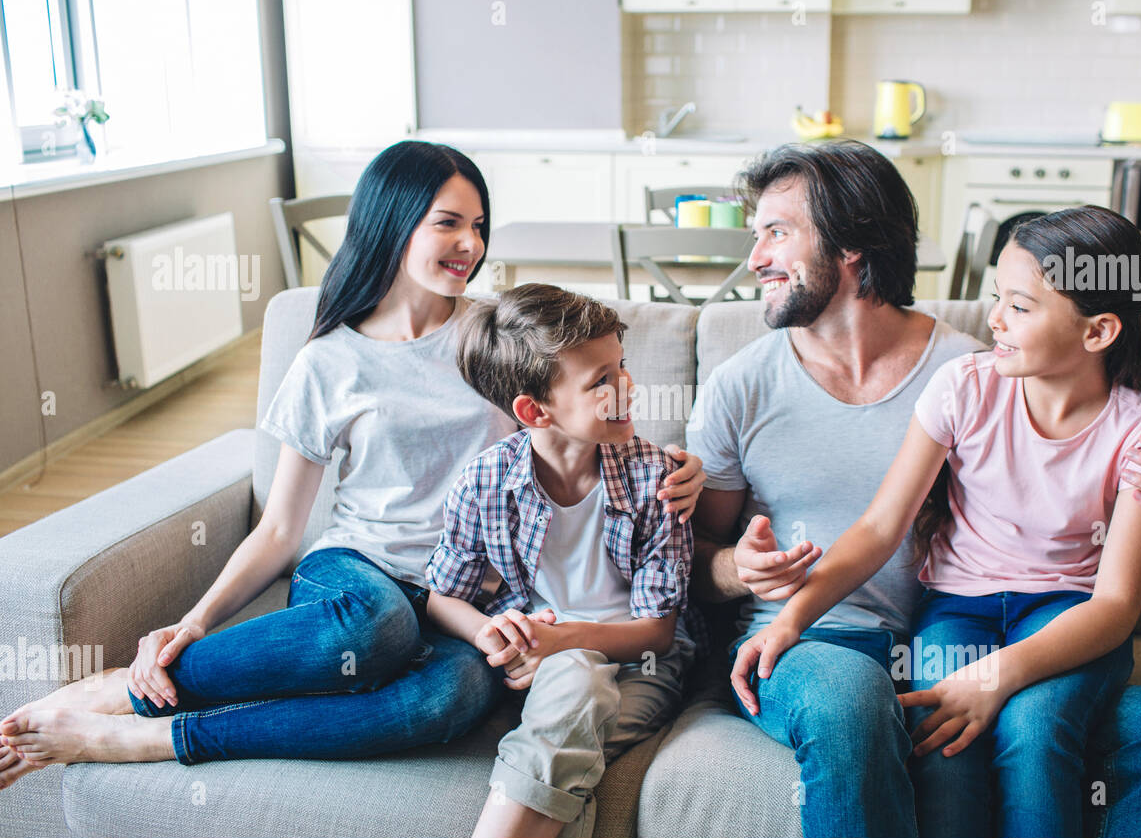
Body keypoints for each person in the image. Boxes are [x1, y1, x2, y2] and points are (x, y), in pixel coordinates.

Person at [0, 141, 705, 784]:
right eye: (449, 222)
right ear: (393, 223)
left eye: (480, 226)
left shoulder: (498, 336)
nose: (471, 244)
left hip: (466, 595)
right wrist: (194, 620)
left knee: (450, 697)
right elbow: (280, 529)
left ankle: (162, 738)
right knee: (379, 628)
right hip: (356, 573)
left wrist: (676, 468)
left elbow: (586, 419)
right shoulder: (328, 361)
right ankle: (122, 690)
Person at [691, 140, 1141, 838]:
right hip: (832, 646)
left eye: (777, 232)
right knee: (865, 705)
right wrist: (740, 571)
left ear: (853, 246)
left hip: (974, 638)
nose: (755, 257)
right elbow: (695, 558)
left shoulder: (981, 368)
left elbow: (1081, 456)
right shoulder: (743, 382)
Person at [425, 284, 695, 838]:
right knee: (573, 726)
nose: (627, 387)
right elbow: (443, 596)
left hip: (639, 666)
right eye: (601, 380)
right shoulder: (486, 480)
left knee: (576, 695)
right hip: (544, 668)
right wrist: (490, 631)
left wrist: (561, 642)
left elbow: (660, 635)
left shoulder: (655, 479)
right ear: (533, 410)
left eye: (622, 366)